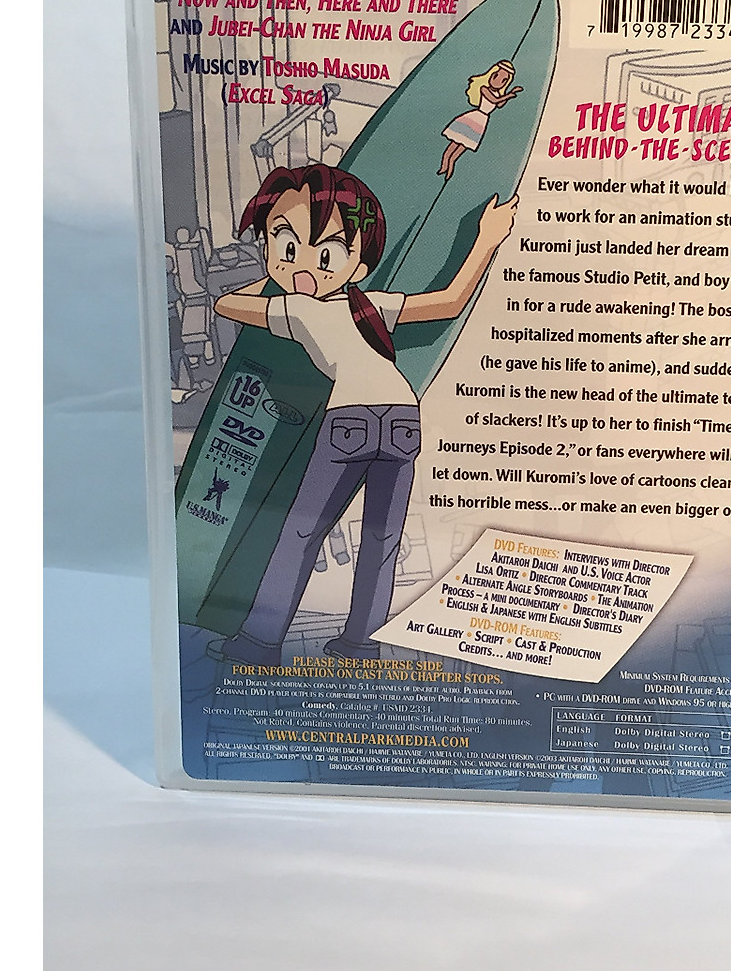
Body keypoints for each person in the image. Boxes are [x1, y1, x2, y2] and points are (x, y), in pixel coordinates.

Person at [206, 163, 517, 665]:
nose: (305, 267)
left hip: (349, 419)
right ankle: (359, 643)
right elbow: (449, 302)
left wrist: (280, 271)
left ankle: (260, 642)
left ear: (358, 262)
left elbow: (226, 303)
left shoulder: (298, 309)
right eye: (287, 245)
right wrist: (486, 239)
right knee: (382, 539)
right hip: (403, 419)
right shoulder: (371, 303)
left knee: (302, 531)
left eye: (324, 252)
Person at [438, 60, 523, 180]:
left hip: (482, 122)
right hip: (474, 117)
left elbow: (499, 104)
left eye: (503, 80)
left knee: (463, 145)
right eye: (496, 76)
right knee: (455, 142)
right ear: (491, 74)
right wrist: (508, 95)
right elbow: (494, 100)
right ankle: (444, 164)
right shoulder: (484, 89)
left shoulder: (498, 94)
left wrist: (511, 93)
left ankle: (451, 164)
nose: (498, 81)